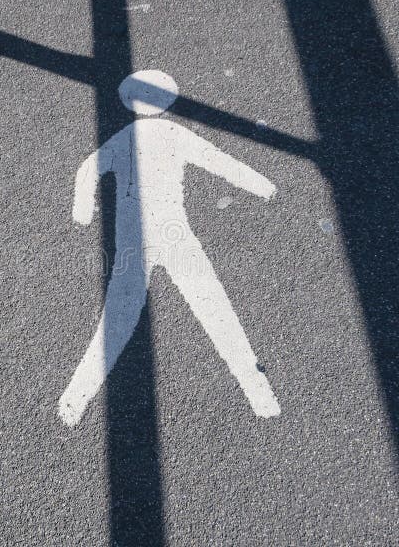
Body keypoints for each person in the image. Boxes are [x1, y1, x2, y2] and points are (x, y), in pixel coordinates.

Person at [59, 70, 280, 426]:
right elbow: (220, 161)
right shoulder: (175, 134)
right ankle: (260, 394)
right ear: (166, 100)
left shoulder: (122, 137)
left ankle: (75, 398)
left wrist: (83, 213)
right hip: (175, 234)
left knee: (117, 320)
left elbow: (88, 170)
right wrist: (262, 186)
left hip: (133, 238)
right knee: (214, 307)